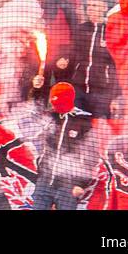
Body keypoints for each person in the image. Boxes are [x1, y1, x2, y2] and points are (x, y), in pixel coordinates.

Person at [31, 83, 103, 211]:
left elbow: (91, 156)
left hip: (68, 184)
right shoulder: (50, 118)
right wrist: (37, 89)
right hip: (45, 180)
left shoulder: (83, 122)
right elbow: (33, 112)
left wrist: (80, 183)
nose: (54, 106)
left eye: (57, 103)